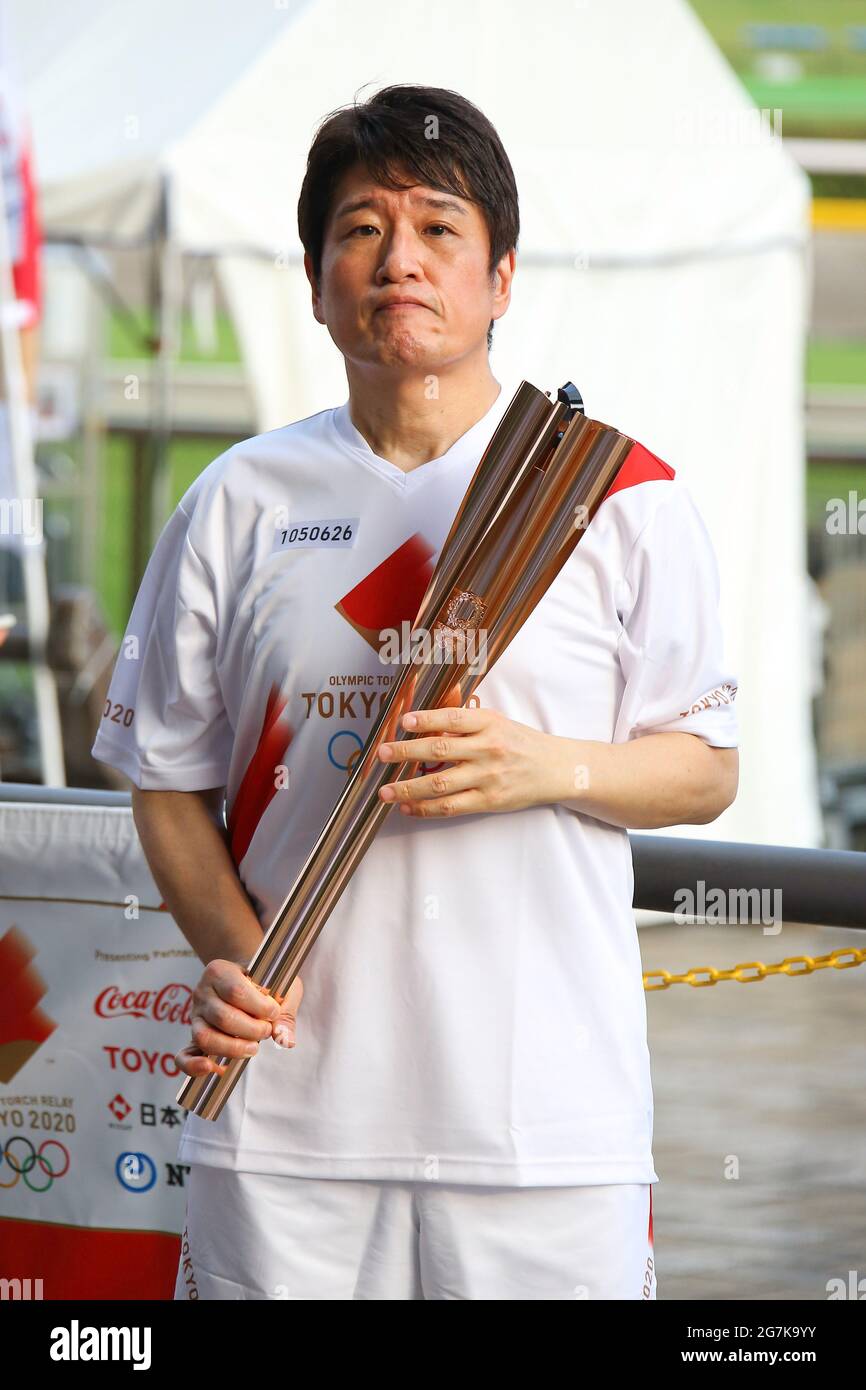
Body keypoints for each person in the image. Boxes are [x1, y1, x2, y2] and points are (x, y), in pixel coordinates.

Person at [91, 84, 739, 1301]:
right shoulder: (238, 498)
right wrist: (241, 956)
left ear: (500, 277)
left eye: (439, 228)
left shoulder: (616, 495)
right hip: (287, 1125)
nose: (399, 260)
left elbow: (705, 764)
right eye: (359, 230)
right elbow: (166, 780)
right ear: (315, 274)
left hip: (544, 1129)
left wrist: (552, 767)